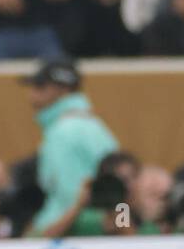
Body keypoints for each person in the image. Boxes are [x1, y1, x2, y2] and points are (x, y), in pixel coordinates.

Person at [21, 59, 120, 237]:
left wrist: (37, 233)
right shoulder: (95, 125)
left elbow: (68, 197)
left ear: (62, 89)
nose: (31, 96)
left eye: (40, 86)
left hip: (77, 227)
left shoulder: (62, 132)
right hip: (96, 222)